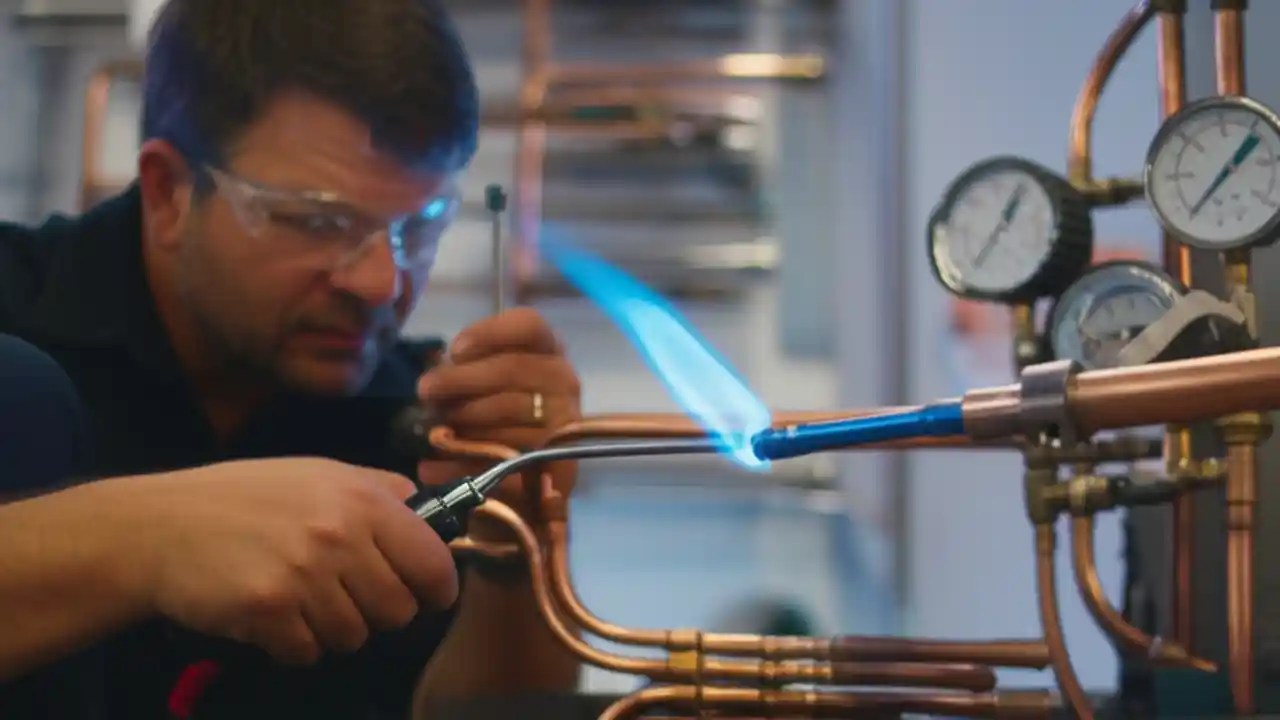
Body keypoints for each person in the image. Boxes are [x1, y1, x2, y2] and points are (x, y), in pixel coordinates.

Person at [0, 0, 584, 717]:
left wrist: (515, 550)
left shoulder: (423, 434)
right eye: (317, 221)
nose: (379, 282)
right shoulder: (16, 340)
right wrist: (145, 538)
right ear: (169, 192)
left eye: (419, 226)